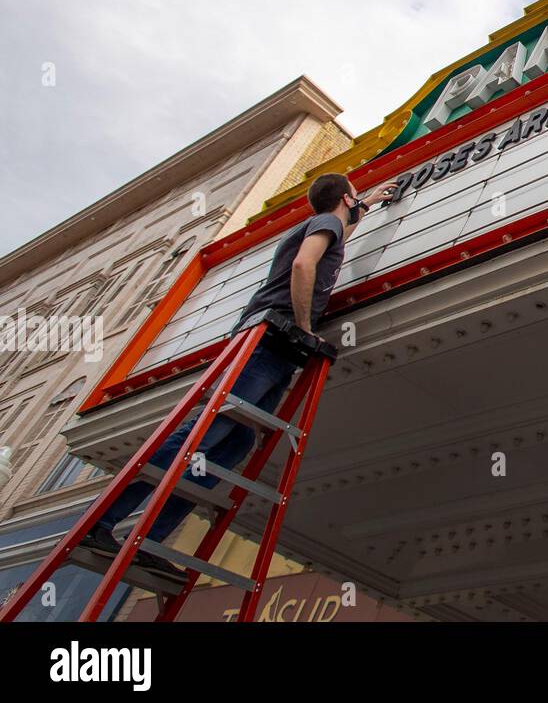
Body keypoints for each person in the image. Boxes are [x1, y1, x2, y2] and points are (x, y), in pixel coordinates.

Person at [85, 172, 396, 580]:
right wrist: (304, 326)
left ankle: (145, 541)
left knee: (233, 445)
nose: (356, 203)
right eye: (354, 197)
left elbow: (336, 237)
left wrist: (367, 202)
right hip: (269, 339)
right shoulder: (327, 224)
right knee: (205, 434)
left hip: (278, 348)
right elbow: (305, 264)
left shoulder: (333, 223)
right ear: (342, 197)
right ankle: (100, 524)